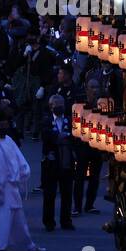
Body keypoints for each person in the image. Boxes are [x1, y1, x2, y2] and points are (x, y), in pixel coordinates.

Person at [0, 113, 45, 251]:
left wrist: (23, 171)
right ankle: (1, 249)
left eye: (5, 125)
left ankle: (29, 245)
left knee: (18, 220)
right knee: (2, 220)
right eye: (1, 125)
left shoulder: (8, 140)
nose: (4, 128)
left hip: (11, 188)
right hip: (0, 189)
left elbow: (18, 158)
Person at [40, 94, 76, 231]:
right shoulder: (46, 121)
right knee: (50, 194)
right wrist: (60, 136)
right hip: (51, 163)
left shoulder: (70, 121)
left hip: (67, 161)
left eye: (62, 104)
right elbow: (46, 135)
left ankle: (66, 221)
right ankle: (49, 222)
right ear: (51, 107)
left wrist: (63, 136)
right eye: (57, 105)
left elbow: (74, 136)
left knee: (67, 193)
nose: (60, 107)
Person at [71, 78, 105, 215]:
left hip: (98, 146)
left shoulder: (104, 104)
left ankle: (90, 204)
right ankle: (77, 206)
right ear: (87, 89)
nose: (95, 90)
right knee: (79, 177)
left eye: (97, 87)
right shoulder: (79, 104)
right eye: (92, 87)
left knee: (95, 177)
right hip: (82, 145)